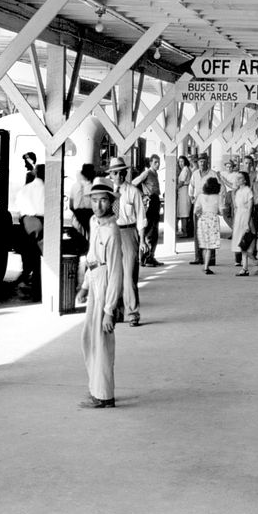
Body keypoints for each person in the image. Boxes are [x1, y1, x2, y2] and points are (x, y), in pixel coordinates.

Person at [77, 177, 124, 409]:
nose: (98, 206)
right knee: (89, 339)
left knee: (102, 341)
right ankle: (96, 388)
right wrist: (85, 285)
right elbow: (91, 256)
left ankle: (104, 395)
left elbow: (116, 271)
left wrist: (109, 310)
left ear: (111, 202)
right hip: (94, 279)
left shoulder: (113, 231)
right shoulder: (94, 223)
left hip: (105, 283)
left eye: (103, 200)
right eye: (94, 201)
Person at [107, 156, 145, 327]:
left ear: (125, 173)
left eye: (122, 173)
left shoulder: (133, 192)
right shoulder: (107, 193)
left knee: (129, 275)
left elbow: (141, 217)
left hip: (129, 232)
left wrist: (142, 240)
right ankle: (116, 311)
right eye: (115, 173)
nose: (119, 176)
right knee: (113, 274)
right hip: (112, 233)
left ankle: (133, 313)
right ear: (111, 175)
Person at [12, 163, 46, 300]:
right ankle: (37, 291)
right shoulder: (47, 189)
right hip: (41, 224)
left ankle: (24, 282)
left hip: (26, 224)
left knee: (28, 258)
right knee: (40, 261)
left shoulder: (25, 189)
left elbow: (18, 206)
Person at [188, 153, 221, 265]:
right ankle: (198, 257)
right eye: (200, 161)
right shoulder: (195, 174)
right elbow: (191, 187)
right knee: (198, 231)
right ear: (198, 162)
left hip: (210, 206)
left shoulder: (213, 174)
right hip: (198, 206)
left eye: (204, 161)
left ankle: (211, 259)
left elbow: (220, 188)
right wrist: (192, 198)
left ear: (208, 161)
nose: (202, 163)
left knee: (210, 231)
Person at [133, 154, 162, 266]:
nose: (157, 164)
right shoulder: (147, 173)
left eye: (158, 162)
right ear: (150, 163)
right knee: (148, 230)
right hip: (149, 202)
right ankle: (144, 259)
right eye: (155, 162)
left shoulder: (155, 174)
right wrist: (143, 195)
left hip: (156, 201)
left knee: (154, 231)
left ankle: (151, 256)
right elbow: (134, 183)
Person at [231, 171, 258, 276]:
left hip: (245, 218)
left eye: (240, 178)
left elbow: (250, 208)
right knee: (242, 245)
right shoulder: (238, 192)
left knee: (244, 244)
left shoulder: (248, 191)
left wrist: (247, 223)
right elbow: (236, 207)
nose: (237, 180)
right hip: (239, 217)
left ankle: (250, 265)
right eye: (237, 178)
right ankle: (246, 267)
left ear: (244, 180)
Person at [193, 176, 223, 275]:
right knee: (210, 245)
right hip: (213, 219)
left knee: (204, 244)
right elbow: (221, 211)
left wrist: (200, 214)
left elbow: (196, 210)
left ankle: (204, 264)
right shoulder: (218, 197)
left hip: (202, 219)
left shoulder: (201, 196)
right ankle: (206, 266)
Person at [68, 163, 97, 242]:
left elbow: (70, 205)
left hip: (77, 216)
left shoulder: (74, 186)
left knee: (79, 240)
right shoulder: (94, 187)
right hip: (91, 216)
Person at [176, 155, 192, 238]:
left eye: (182, 161)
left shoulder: (185, 169)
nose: (180, 163)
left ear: (185, 161)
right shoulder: (184, 169)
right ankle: (183, 230)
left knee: (184, 212)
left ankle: (185, 232)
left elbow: (181, 182)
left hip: (184, 190)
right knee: (182, 212)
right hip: (182, 191)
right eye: (179, 162)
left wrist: (174, 189)